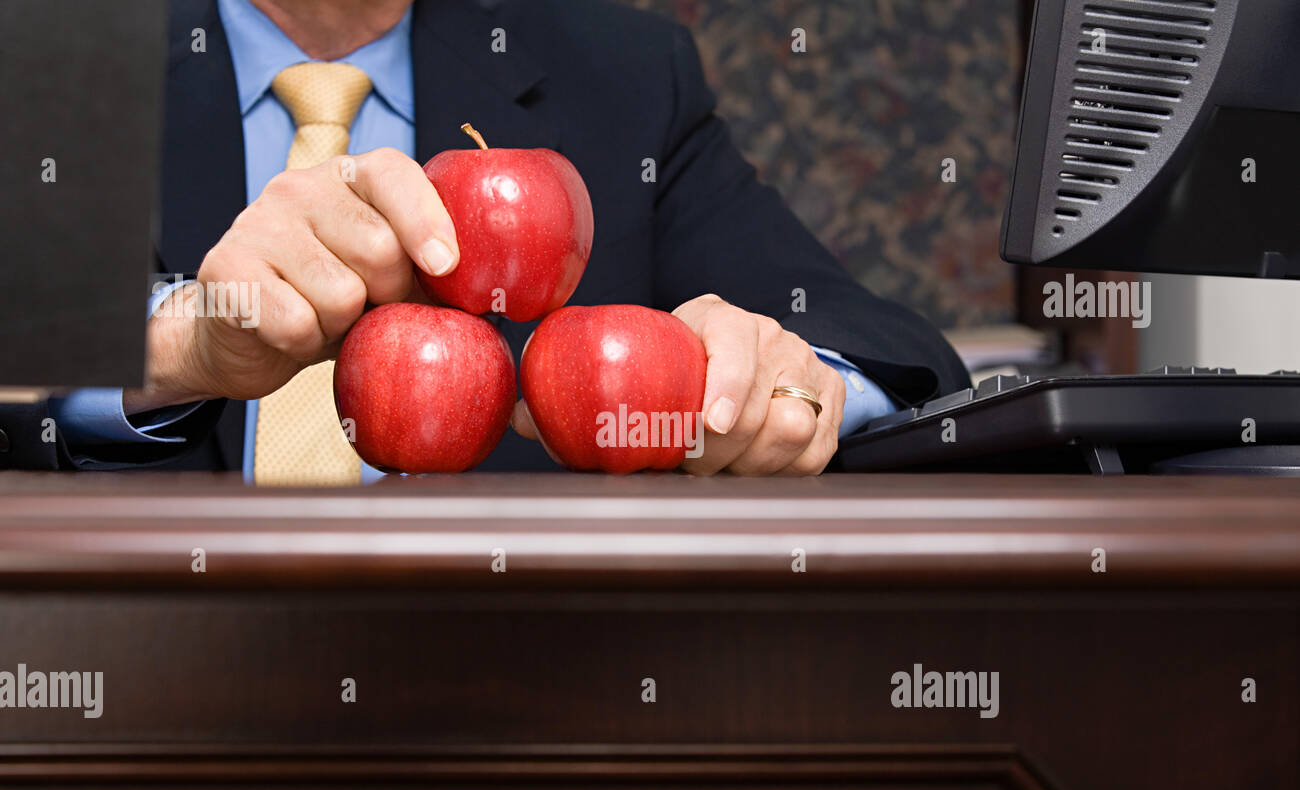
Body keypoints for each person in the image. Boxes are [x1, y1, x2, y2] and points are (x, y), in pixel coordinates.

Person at [3, 0, 969, 480]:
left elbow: (894, 351)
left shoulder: (622, 74)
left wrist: (791, 384)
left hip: (526, 688)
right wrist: (170, 347)